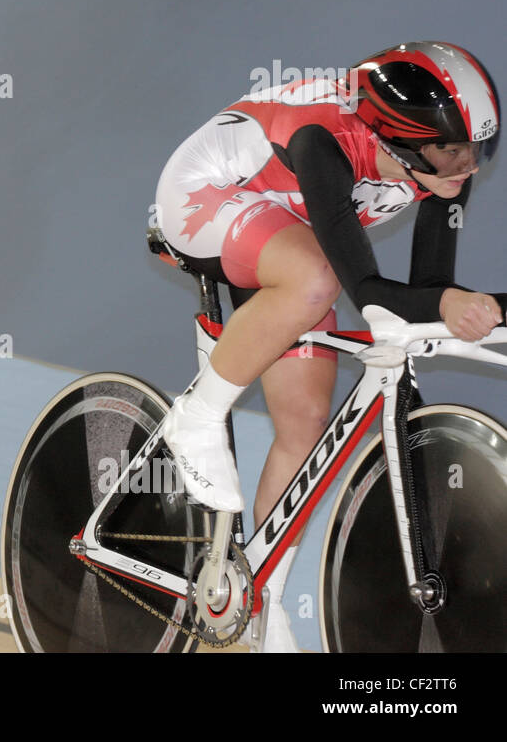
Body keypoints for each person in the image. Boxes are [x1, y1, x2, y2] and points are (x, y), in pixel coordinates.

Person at [153, 41, 503, 651]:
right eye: (450, 151)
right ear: (397, 139)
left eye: (477, 149)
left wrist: (468, 311)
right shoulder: (324, 139)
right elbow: (368, 288)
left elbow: (426, 292)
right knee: (318, 279)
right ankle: (197, 417)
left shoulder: (443, 169)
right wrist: (443, 305)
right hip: (204, 198)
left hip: (287, 229)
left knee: (308, 421)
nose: (466, 166)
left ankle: (258, 604)